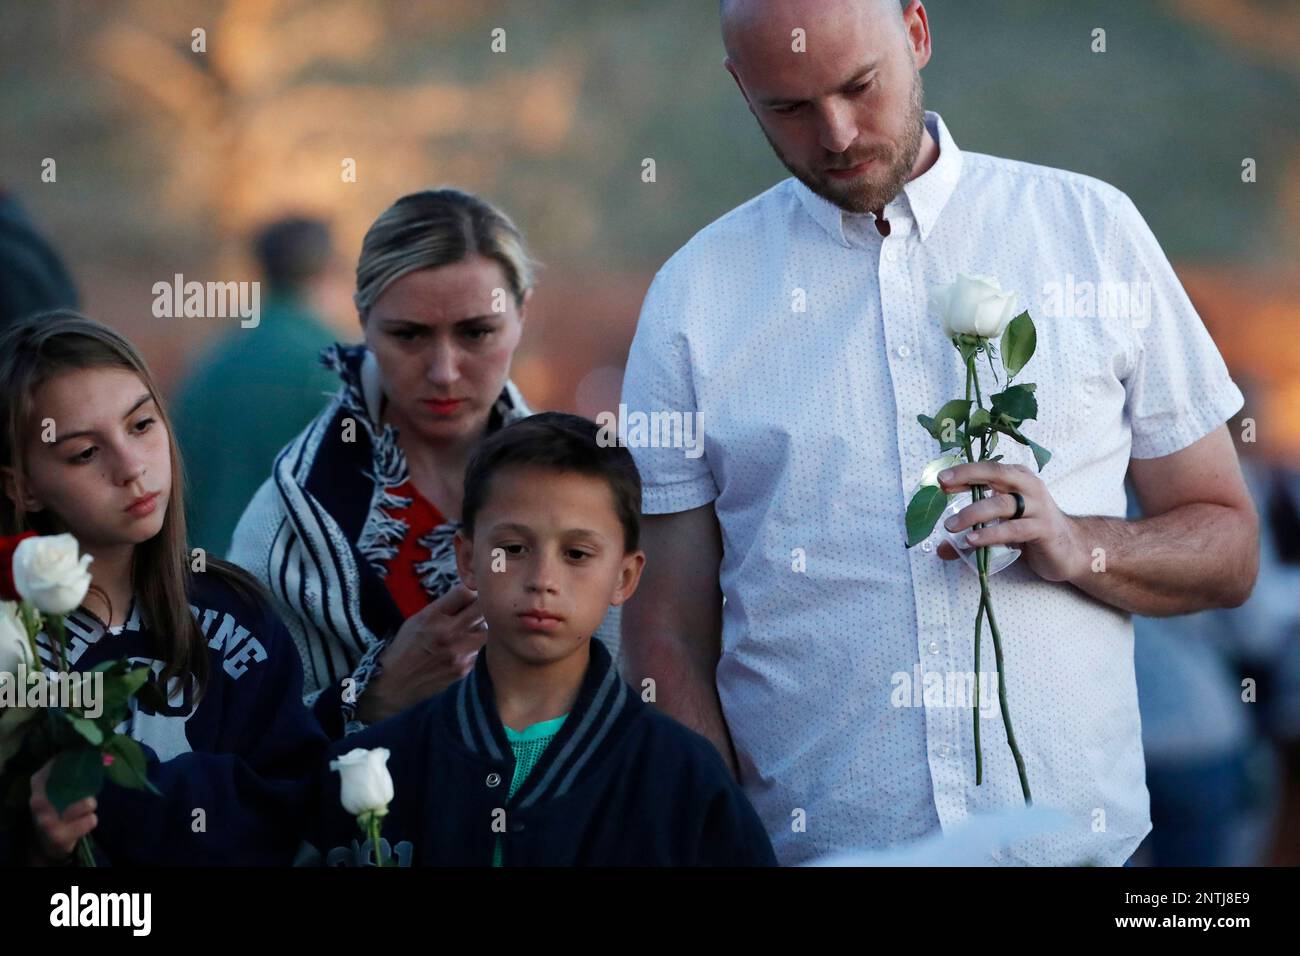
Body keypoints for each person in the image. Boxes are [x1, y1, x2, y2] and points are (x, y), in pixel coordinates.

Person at [619, 0, 1259, 866]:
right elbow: (664, 632)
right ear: (741, 89)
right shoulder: (693, 296)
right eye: (790, 108)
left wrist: (1081, 543)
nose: (838, 134)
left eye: (858, 86)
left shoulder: (1092, 233)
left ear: (916, 32)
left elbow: (1227, 545)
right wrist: (719, 842)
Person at [229, 189, 622, 741]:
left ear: (521, 314)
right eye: (409, 334)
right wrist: (375, 696)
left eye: (476, 332)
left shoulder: (588, 494)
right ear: (363, 321)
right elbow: (236, 737)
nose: (443, 371)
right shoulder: (283, 524)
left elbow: (623, 701)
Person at [304, 413, 776, 866]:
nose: (543, 580)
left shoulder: (684, 781)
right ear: (467, 560)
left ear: (625, 577)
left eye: (576, 553)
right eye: (513, 549)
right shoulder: (375, 767)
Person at [0, 310, 327, 865]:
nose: (131, 467)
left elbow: (299, 805)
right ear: (23, 487)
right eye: (84, 453)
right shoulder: (13, 644)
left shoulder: (235, 611)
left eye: (141, 425)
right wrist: (36, 848)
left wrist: (132, 794)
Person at [171, 216, 342, 557]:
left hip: (203, 582)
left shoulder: (213, 360)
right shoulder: (334, 365)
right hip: (290, 591)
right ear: (330, 270)